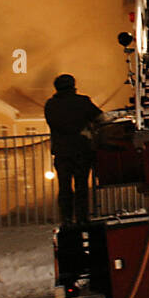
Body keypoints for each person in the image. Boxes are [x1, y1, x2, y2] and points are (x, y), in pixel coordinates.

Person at [44, 74, 103, 224]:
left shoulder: (50, 105)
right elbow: (100, 118)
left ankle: (67, 218)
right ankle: (82, 218)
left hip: (61, 152)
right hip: (81, 151)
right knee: (81, 186)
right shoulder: (82, 102)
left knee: (64, 187)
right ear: (73, 86)